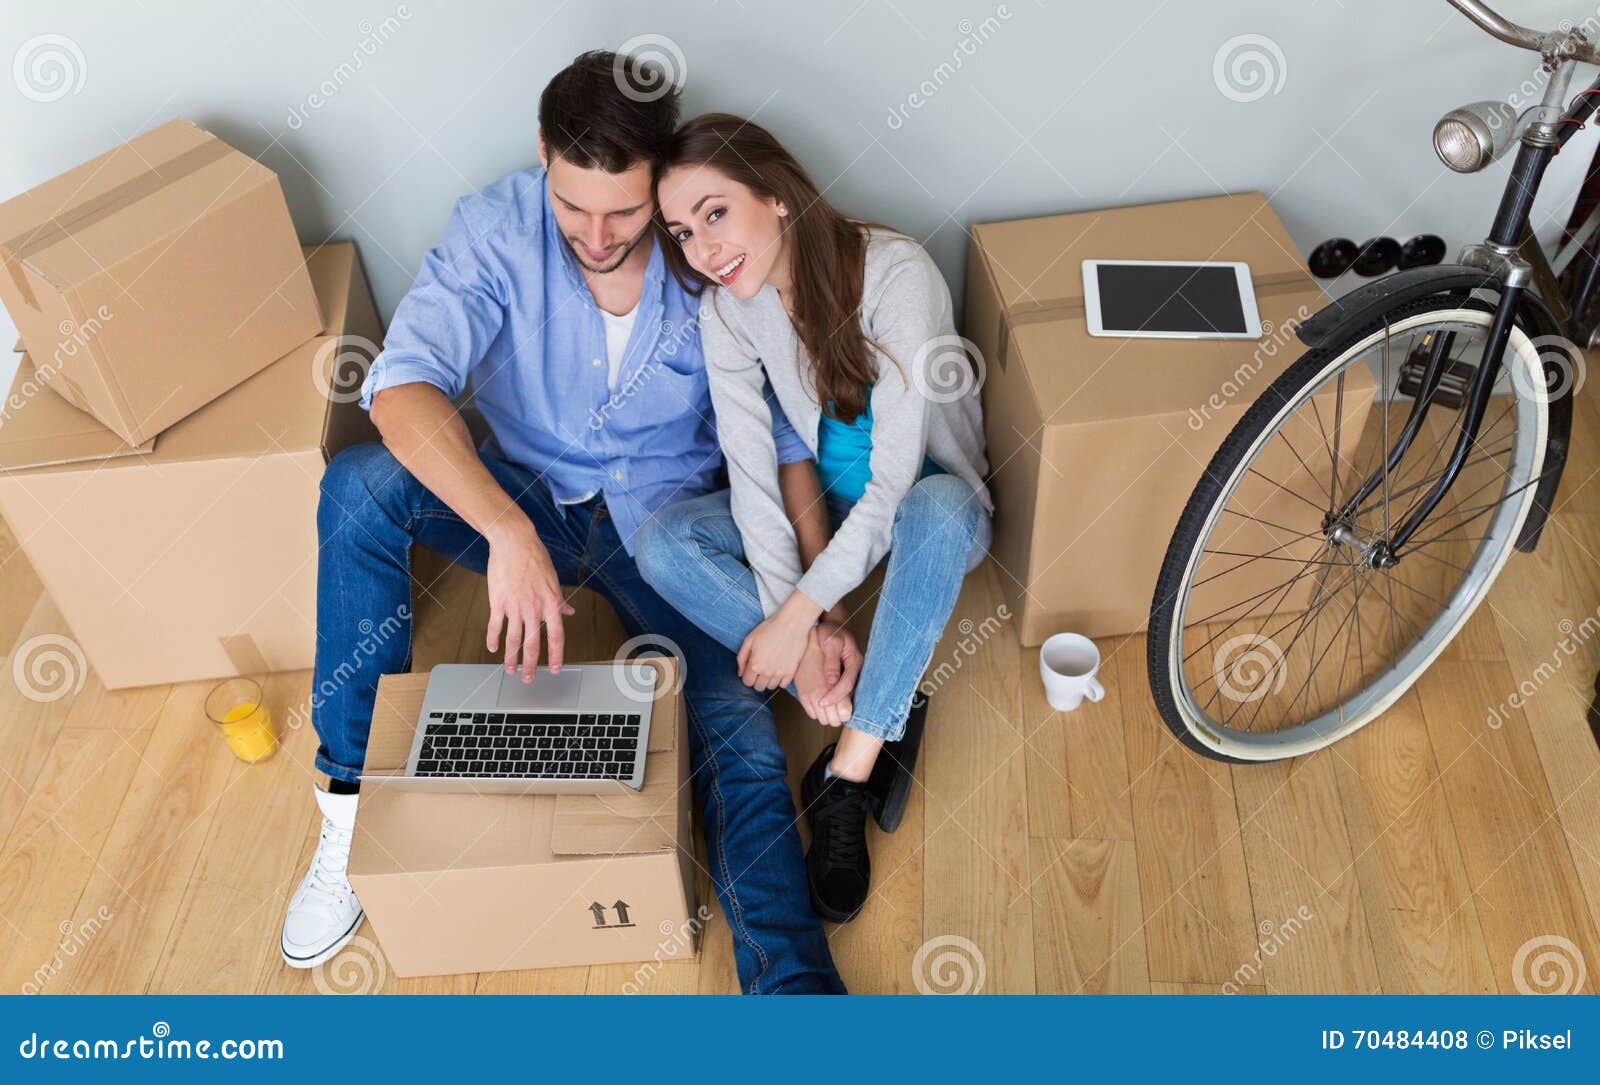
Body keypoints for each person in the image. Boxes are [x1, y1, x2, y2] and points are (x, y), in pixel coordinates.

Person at [280, 56, 845, 995]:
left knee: (742, 744)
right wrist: (506, 530)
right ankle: (345, 811)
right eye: (573, 205)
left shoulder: (708, 245)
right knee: (360, 484)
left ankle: (794, 996)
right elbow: (401, 390)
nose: (595, 234)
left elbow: (790, 445)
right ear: (544, 156)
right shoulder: (495, 229)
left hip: (664, 527)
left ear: (660, 179)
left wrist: (819, 600)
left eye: (623, 213)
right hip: (528, 497)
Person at [636, 114, 993, 923]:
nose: (701, 249)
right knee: (662, 542)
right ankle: (869, 689)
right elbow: (757, 481)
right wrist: (814, 627)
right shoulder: (727, 311)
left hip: (929, 512)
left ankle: (848, 773)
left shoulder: (898, 275)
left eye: (716, 213)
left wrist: (793, 614)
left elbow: (895, 484)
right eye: (681, 231)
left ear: (778, 195)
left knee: (933, 509)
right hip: (826, 513)